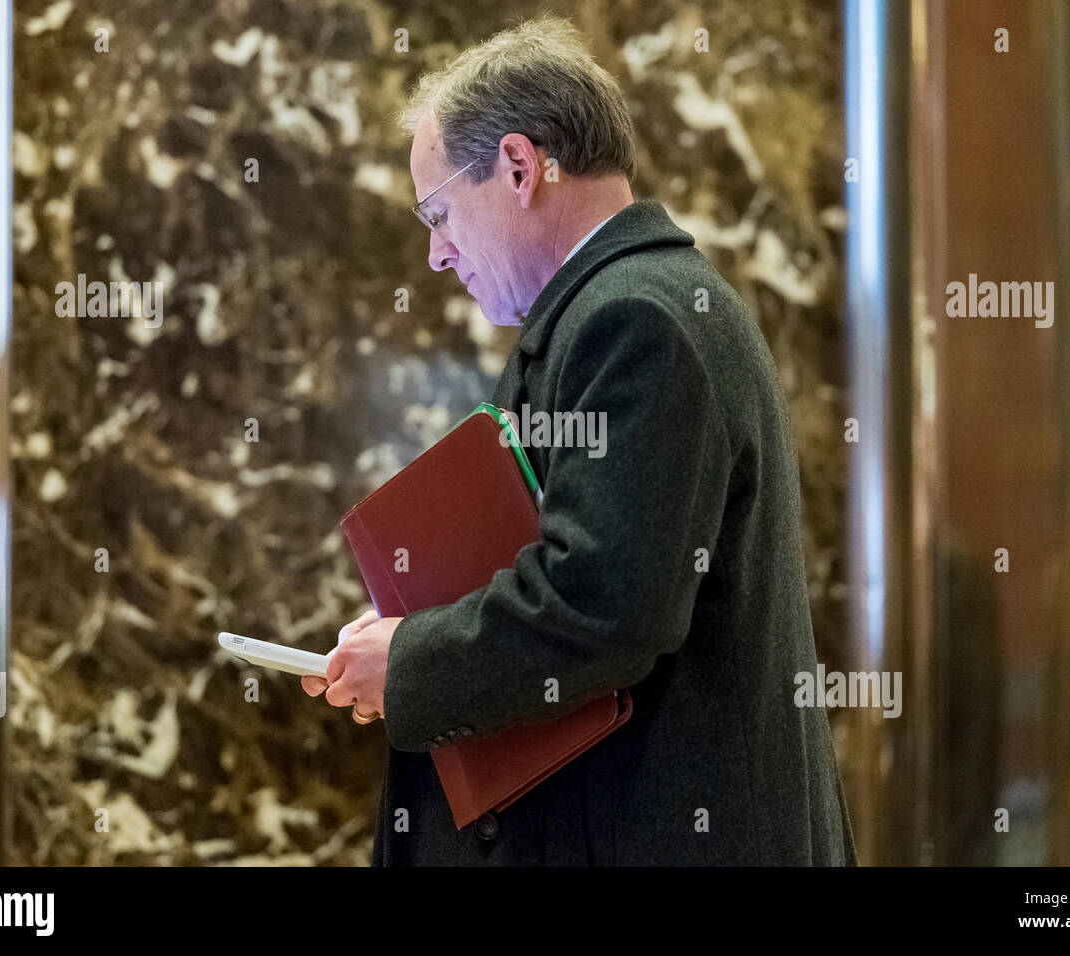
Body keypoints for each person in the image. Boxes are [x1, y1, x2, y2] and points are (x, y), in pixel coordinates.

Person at [302, 16, 857, 866]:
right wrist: (408, 633)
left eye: (441, 214)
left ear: (520, 167)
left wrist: (413, 661)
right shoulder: (614, 307)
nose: (435, 256)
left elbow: (604, 603)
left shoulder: (635, 319)